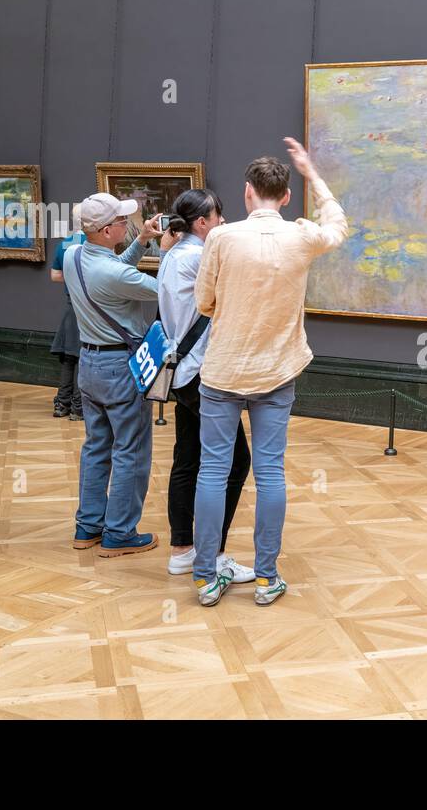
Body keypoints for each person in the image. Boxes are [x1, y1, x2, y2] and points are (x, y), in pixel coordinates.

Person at [189, 137, 347, 606]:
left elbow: (203, 302)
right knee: (271, 472)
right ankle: (264, 578)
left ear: (246, 193)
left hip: (221, 373)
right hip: (277, 372)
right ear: (286, 196)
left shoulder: (220, 237)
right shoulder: (302, 235)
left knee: (212, 472)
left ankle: (205, 578)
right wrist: (313, 173)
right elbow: (337, 225)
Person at [156, 189, 255, 582]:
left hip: (182, 373)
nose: (222, 222)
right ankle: (212, 554)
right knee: (235, 463)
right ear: (202, 223)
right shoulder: (198, 257)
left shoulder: (172, 255)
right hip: (201, 375)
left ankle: (183, 549)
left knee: (188, 459)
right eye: (218, 217)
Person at [63, 192, 164, 557]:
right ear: (107, 230)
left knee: (96, 447)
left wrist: (141, 241)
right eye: (123, 221)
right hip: (121, 368)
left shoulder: (73, 255)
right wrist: (166, 250)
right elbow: (165, 291)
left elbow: (113, 269)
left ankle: (88, 526)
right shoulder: (114, 273)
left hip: (89, 366)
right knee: (130, 451)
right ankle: (119, 534)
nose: (128, 223)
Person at [49, 230, 85, 421]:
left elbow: (55, 275)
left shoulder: (65, 243)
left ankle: (62, 404)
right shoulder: (95, 242)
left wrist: (71, 277)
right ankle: (78, 408)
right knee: (81, 356)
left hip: (71, 305)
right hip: (87, 307)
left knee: (69, 356)